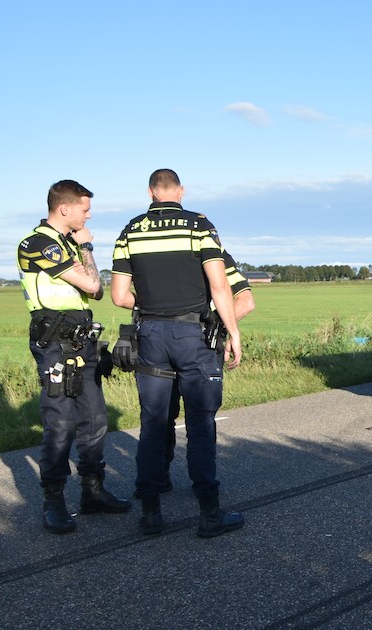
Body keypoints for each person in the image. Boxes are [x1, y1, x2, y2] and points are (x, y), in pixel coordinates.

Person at [110, 168, 244, 538]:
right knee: (201, 424)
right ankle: (209, 514)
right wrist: (232, 332)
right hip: (193, 336)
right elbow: (219, 286)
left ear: (151, 192)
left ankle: (151, 513)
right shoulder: (198, 227)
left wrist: (155, 306)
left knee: (153, 423)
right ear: (180, 191)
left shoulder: (131, 231)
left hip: (150, 333)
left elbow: (120, 296)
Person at [17, 180, 131, 534]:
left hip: (82, 340)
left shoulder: (67, 243)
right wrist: (87, 247)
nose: (88, 214)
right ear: (64, 208)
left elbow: (93, 293)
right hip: (54, 341)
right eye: (84, 208)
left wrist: (84, 249)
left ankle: (92, 492)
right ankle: (54, 501)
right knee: (60, 422)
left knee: (95, 419)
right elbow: (93, 285)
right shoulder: (38, 243)